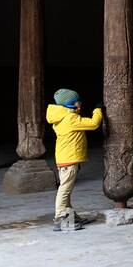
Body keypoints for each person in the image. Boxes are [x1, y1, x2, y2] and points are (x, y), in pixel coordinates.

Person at [45, 88, 103, 231]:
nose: (80, 103)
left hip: (65, 158)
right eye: (77, 101)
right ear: (71, 104)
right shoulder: (70, 119)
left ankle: (70, 218)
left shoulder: (63, 116)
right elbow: (94, 124)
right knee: (64, 190)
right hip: (68, 160)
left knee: (66, 191)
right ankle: (60, 219)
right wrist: (98, 110)